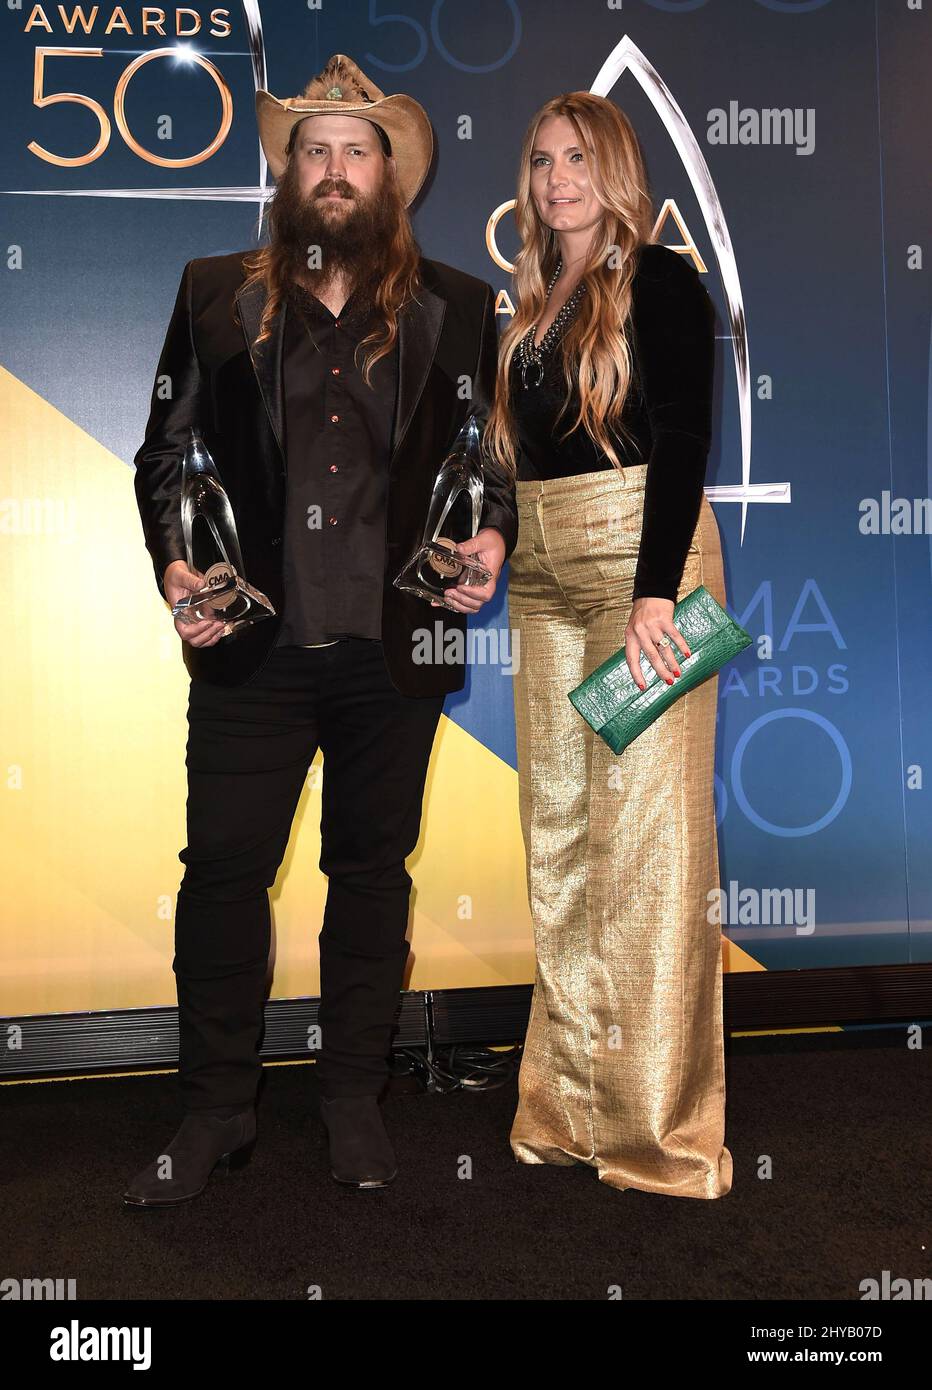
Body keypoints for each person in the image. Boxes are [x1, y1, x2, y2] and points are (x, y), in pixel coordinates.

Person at [126, 53, 517, 1206]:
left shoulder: (460, 304)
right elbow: (164, 454)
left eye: (356, 149)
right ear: (288, 170)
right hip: (251, 647)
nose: (334, 168)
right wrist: (175, 562)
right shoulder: (213, 291)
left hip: (401, 645)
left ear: (388, 174)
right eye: (314, 148)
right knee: (221, 874)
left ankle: (352, 1094)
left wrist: (487, 542)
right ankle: (215, 1110)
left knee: (371, 871)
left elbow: (481, 467)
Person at [479, 92, 732, 1198]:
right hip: (539, 574)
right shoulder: (533, 309)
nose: (554, 179)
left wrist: (651, 596)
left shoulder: (663, 279)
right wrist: (486, 546)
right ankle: (570, 1112)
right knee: (563, 846)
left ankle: (659, 1138)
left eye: (576, 158)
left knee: (649, 858)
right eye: (540, 161)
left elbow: (682, 436)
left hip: (648, 567)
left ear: (615, 167)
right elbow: (519, 467)